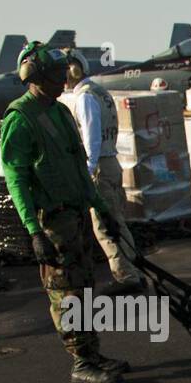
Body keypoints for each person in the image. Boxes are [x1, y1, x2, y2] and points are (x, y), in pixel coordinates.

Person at [0, 41, 126, 383]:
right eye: (56, 74)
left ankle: (93, 353)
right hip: (51, 221)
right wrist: (33, 231)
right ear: (34, 77)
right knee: (65, 292)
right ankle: (81, 363)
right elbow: (16, 177)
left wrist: (101, 209)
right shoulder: (20, 118)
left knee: (84, 286)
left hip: (76, 216)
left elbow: (77, 166)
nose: (63, 78)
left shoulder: (59, 111)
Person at [63, 49, 142, 294]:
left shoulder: (85, 98)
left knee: (104, 225)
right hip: (111, 162)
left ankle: (126, 277)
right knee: (117, 219)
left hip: (99, 166)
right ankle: (133, 269)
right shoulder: (101, 92)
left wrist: (88, 168)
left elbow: (91, 137)